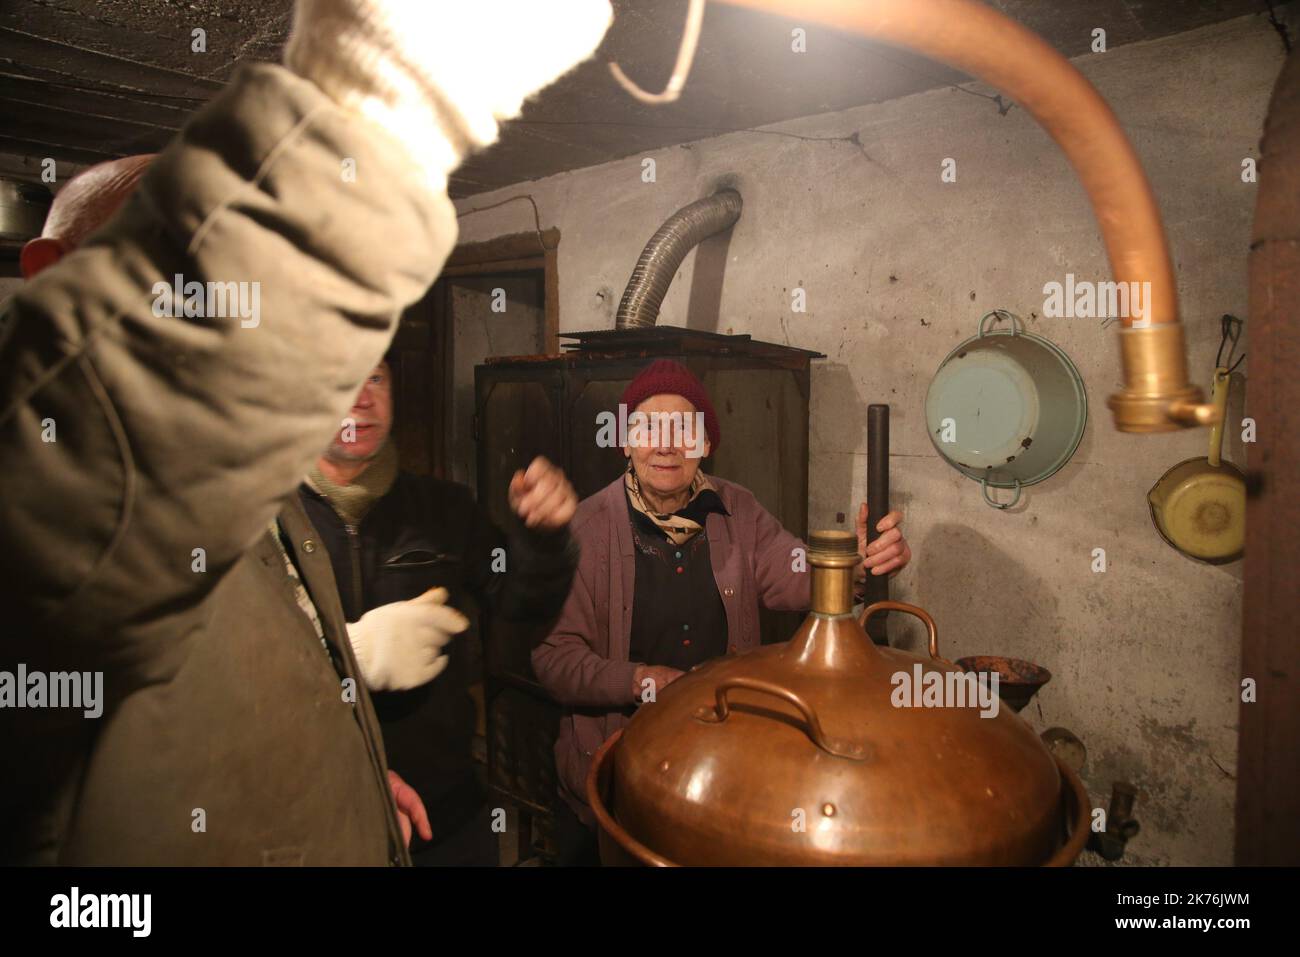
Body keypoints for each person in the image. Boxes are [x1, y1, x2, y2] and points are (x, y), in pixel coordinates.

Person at [0, 0, 612, 864]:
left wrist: (349, 771)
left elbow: (189, 727)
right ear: (56, 277)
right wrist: (367, 96)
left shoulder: (266, 506)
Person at [531, 360, 912, 864]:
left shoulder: (739, 510)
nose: (666, 445)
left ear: (705, 444)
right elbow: (553, 660)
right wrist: (645, 680)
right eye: (649, 428)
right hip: (618, 774)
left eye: (683, 429)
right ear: (625, 441)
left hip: (720, 770)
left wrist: (857, 564)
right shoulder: (584, 529)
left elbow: (797, 573)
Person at [300, 359, 578, 865]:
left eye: (377, 377)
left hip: (446, 812)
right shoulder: (264, 525)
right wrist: (348, 654)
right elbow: (221, 670)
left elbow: (520, 604)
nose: (362, 398)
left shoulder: (445, 508)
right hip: (314, 812)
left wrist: (544, 537)